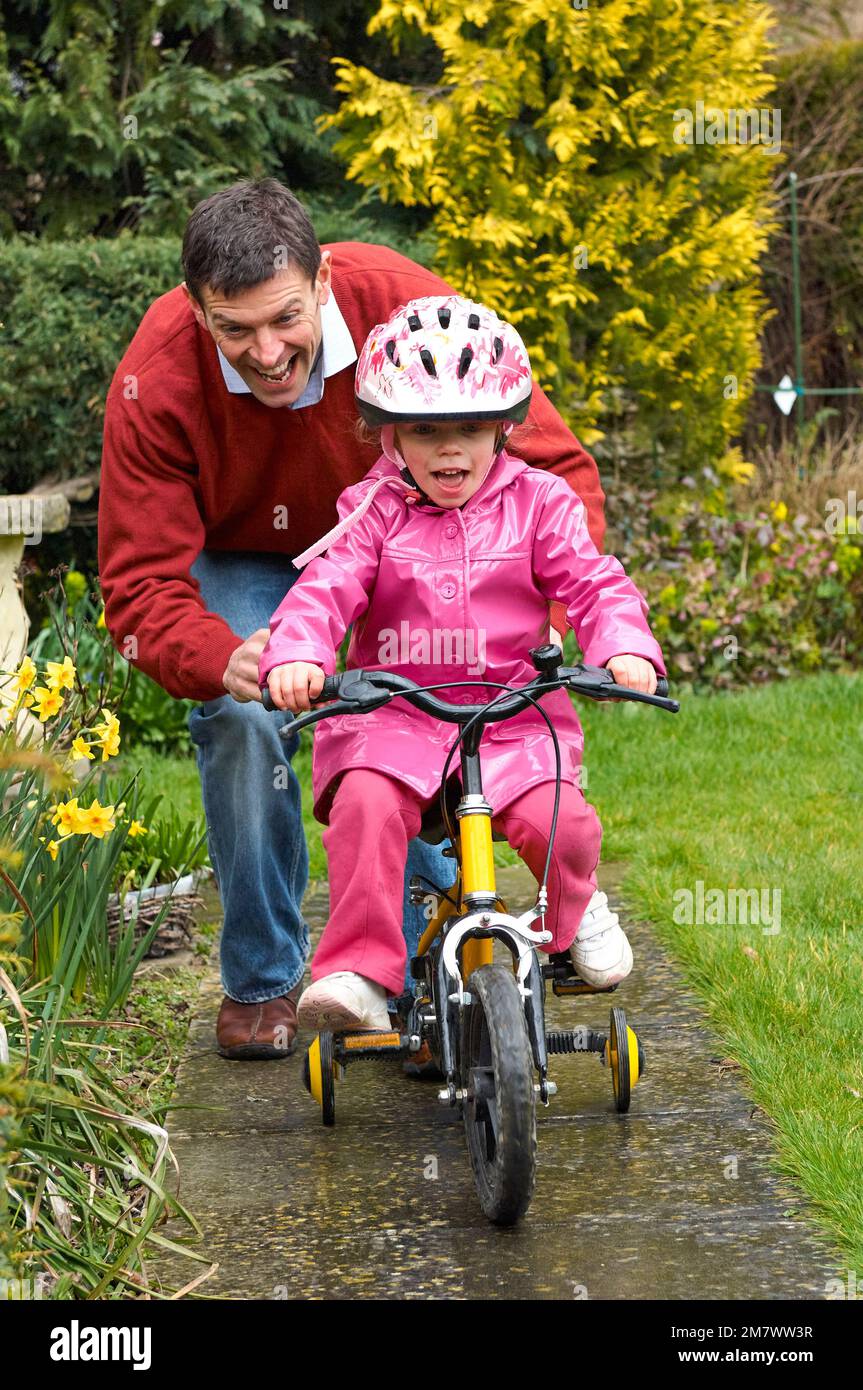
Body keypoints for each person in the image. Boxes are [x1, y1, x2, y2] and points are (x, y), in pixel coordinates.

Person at [97, 178, 608, 1061]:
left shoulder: (406, 308)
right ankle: (262, 976)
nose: (264, 351)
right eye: (234, 329)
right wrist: (223, 658)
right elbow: (141, 579)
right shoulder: (161, 370)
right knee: (242, 718)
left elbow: (551, 472)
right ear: (194, 309)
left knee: (441, 695)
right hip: (246, 552)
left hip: (405, 530)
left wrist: (553, 614)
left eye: (284, 319)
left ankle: (425, 938)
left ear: (325, 280)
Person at [259, 294, 667, 1035]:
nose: (450, 450)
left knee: (563, 824)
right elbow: (324, 590)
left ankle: (573, 911)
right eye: (425, 430)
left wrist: (621, 645)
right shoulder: (371, 511)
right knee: (366, 809)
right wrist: (298, 655)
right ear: (389, 436)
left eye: (470, 429)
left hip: (513, 717)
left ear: (504, 427)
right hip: (394, 717)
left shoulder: (541, 505)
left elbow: (590, 580)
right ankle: (360, 971)